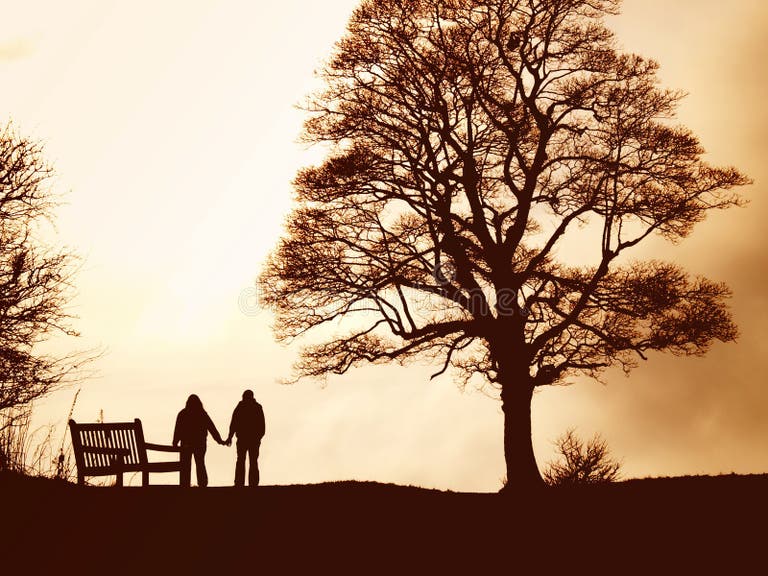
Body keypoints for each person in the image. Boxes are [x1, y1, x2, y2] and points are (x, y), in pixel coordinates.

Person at [173, 394, 225, 487]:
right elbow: (212, 428)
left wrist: (175, 442)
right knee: (200, 463)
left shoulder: (183, 414)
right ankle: (202, 484)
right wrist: (219, 441)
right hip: (199, 443)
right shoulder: (202, 414)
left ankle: (185, 484)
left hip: (186, 444)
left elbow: (178, 430)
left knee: (186, 465)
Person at [225, 390, 265, 487]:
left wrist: (230, 437)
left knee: (241, 460)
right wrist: (258, 437)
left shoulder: (240, 407)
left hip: (243, 439)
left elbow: (233, 424)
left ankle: (239, 483)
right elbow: (262, 426)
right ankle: (253, 483)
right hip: (253, 439)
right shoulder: (257, 407)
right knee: (253, 461)